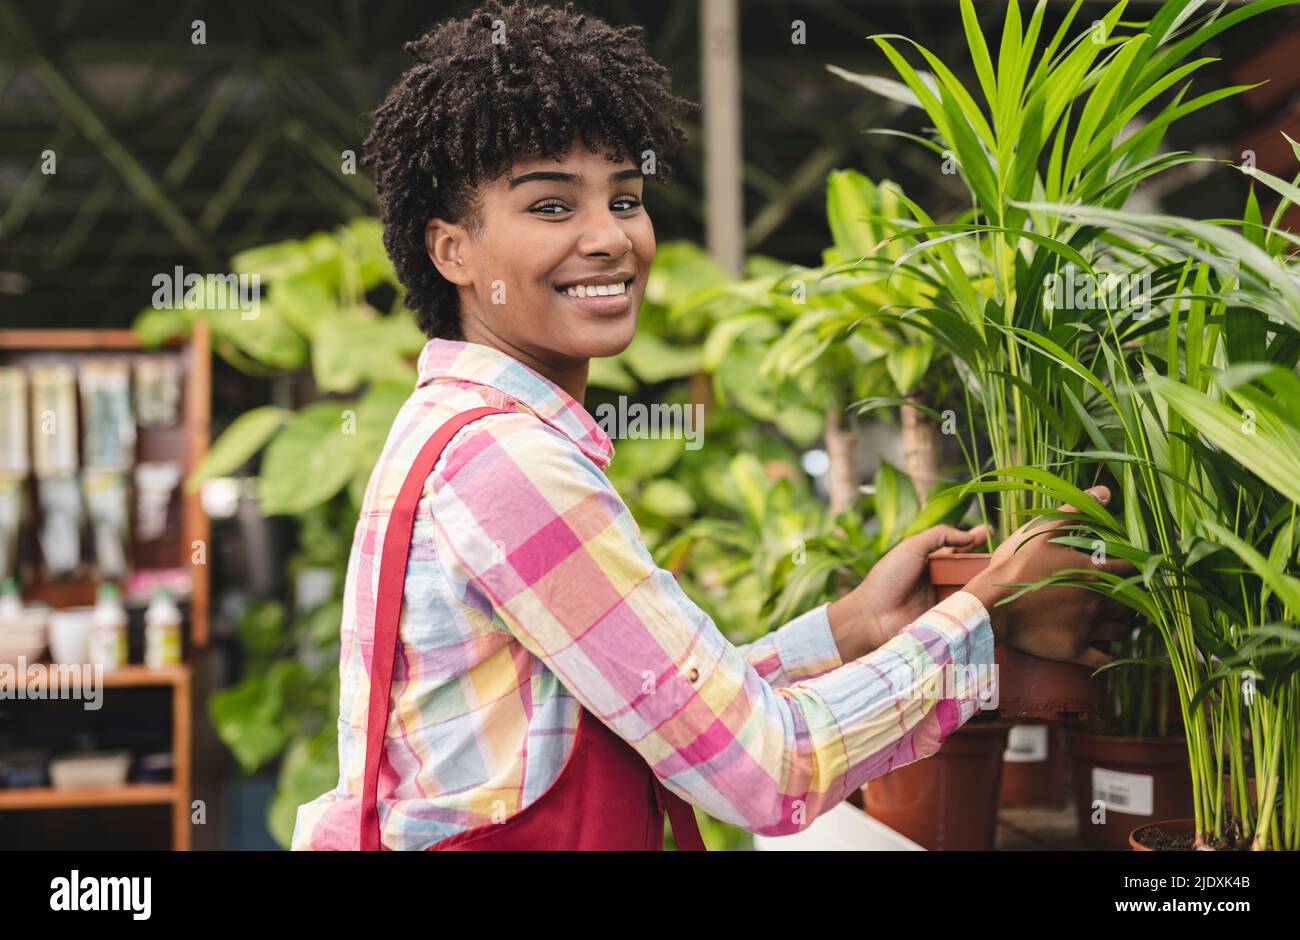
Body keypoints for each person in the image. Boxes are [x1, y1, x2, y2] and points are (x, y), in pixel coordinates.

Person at [291, 0, 1134, 851]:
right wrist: (989, 617)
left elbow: (668, 709)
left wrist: (856, 628)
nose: (610, 238)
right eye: (551, 206)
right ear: (452, 252)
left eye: (625, 198)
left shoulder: (453, 428)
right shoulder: (507, 464)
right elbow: (767, 771)